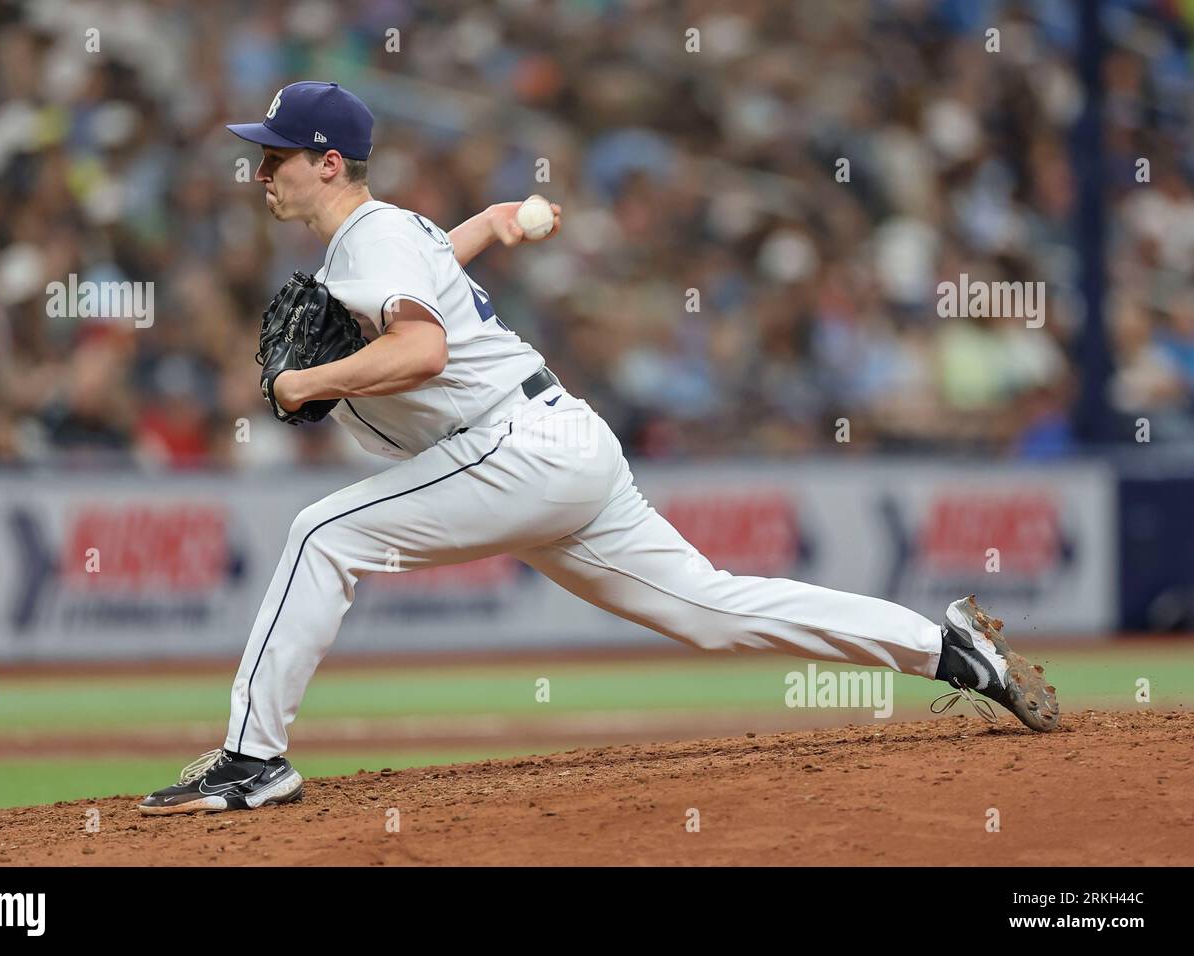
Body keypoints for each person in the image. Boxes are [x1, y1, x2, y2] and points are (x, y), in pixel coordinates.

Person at [138, 82, 1059, 815]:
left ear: (329, 163)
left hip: (514, 449)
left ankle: (254, 760)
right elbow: (433, 272)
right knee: (712, 610)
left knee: (319, 533)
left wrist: (305, 384)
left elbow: (424, 349)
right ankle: (948, 650)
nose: (261, 170)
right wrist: (494, 225)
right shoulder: (390, 232)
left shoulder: (370, 239)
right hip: (557, 443)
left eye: (276, 155)